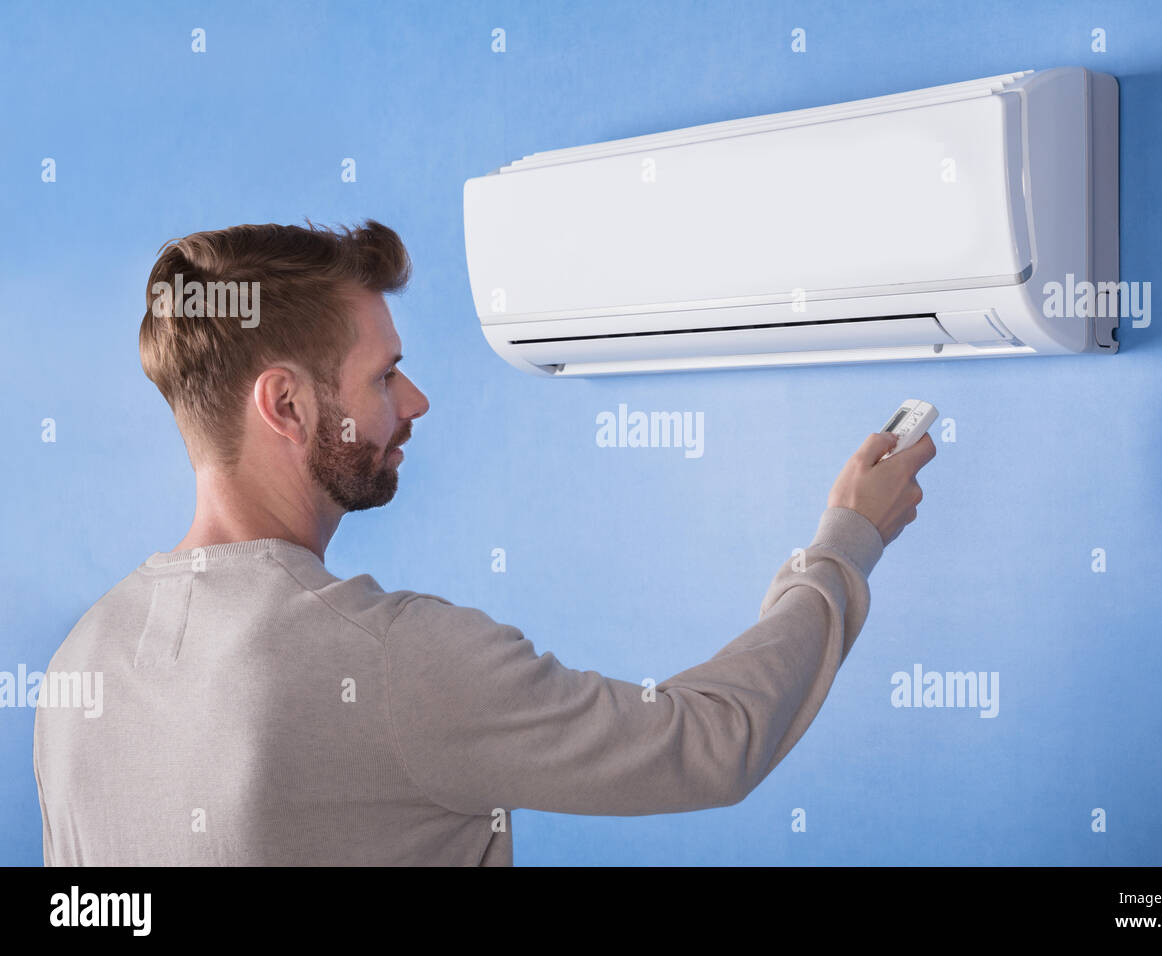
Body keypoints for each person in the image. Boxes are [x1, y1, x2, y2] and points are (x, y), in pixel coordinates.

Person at [33, 220, 936, 865]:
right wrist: (846, 544)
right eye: (385, 375)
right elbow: (710, 742)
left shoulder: (83, 660)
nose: (415, 400)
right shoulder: (391, 662)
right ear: (286, 405)